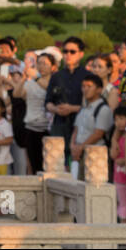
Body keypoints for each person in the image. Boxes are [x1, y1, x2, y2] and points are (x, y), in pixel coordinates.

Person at [46, 36, 86, 167]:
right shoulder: (56, 76)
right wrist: (56, 109)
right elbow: (48, 102)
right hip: (59, 124)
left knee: (77, 164)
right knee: (55, 162)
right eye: (65, 51)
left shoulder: (87, 76)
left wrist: (72, 108)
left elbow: (92, 106)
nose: (68, 55)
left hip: (79, 124)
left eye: (72, 52)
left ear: (81, 54)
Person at [70, 73, 114, 177]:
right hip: (78, 154)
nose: (85, 89)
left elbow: (98, 134)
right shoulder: (83, 108)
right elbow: (76, 129)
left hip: (95, 155)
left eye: (89, 86)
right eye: (83, 86)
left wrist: (80, 148)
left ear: (99, 89)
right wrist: (72, 146)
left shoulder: (103, 109)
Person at [18, 51, 54, 174]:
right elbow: (17, 94)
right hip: (31, 126)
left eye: (45, 63)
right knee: (34, 165)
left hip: (47, 128)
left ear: (53, 67)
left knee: (48, 165)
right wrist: (23, 79)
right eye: (39, 63)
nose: (41, 66)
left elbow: (50, 90)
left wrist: (36, 77)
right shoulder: (31, 83)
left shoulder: (55, 82)